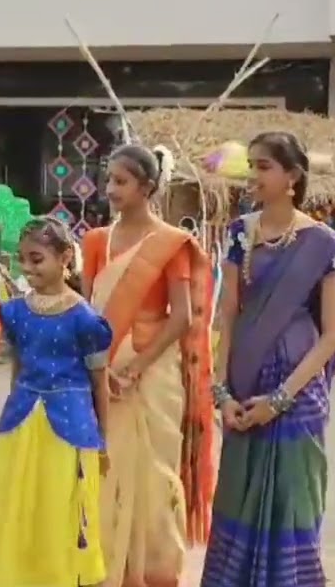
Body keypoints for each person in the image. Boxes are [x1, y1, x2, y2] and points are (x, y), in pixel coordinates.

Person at [200, 132, 335, 587]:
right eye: (252, 164)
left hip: (297, 397)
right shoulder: (237, 235)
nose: (254, 175)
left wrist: (281, 399)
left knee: (291, 504)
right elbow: (226, 317)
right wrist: (222, 392)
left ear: (292, 177)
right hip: (244, 388)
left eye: (264, 166)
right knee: (237, 498)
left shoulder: (321, 245)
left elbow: (330, 337)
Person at [80, 143, 216, 587]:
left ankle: (154, 574)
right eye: (108, 180)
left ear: (148, 187)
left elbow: (183, 316)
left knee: (156, 481)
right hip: (103, 370)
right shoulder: (97, 241)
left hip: (153, 374)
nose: (110, 189)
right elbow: (87, 309)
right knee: (102, 471)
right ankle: (104, 571)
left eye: (121, 181)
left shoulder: (170, 244)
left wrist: (138, 365)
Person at [0, 217, 109, 587]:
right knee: (13, 504)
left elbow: (100, 381)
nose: (28, 269)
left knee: (59, 510)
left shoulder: (86, 319)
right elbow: (18, 367)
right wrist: (14, 407)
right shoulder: (15, 312)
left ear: (65, 258)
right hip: (22, 423)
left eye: (37, 259)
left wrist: (103, 440)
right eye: (23, 260)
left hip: (69, 429)